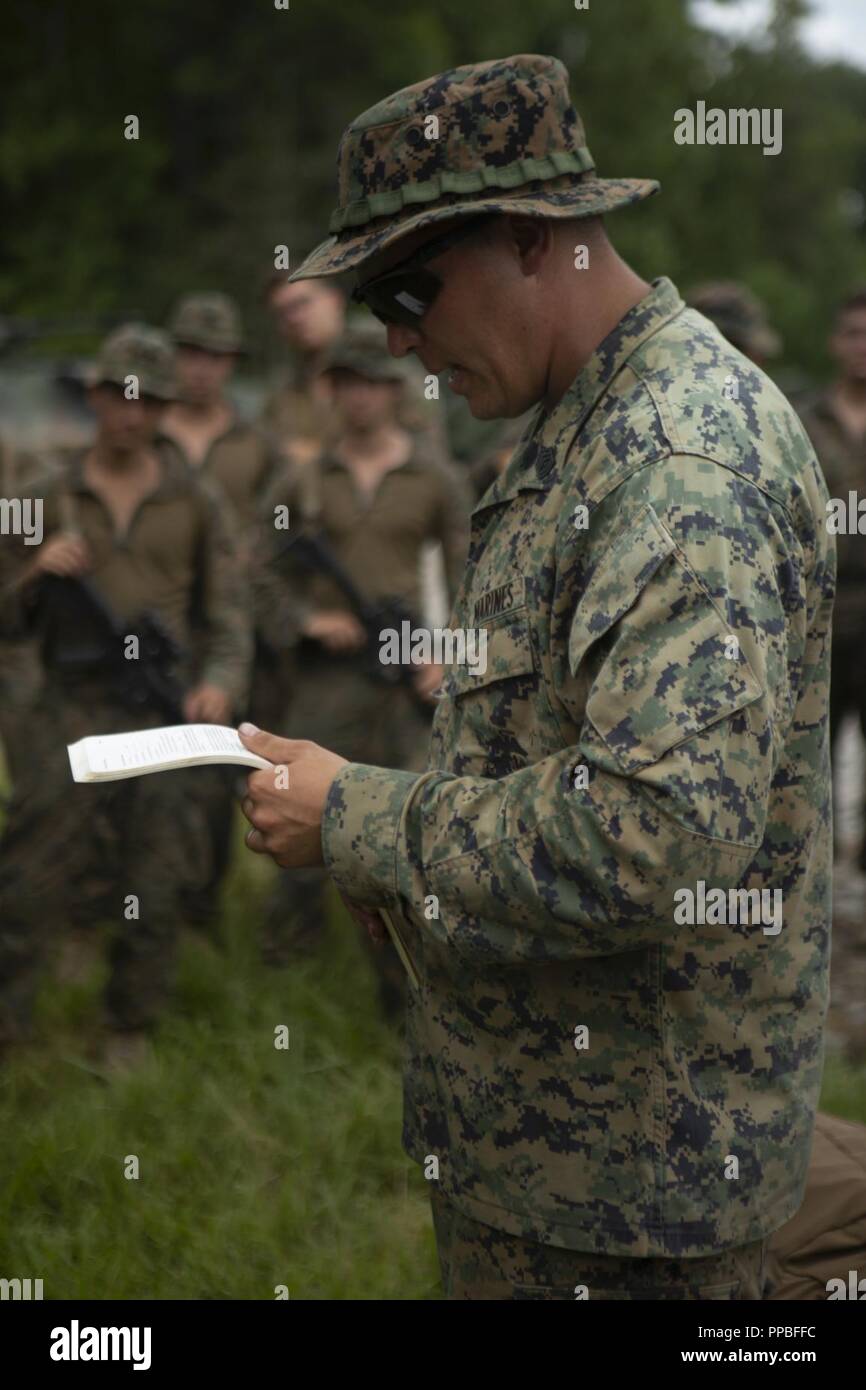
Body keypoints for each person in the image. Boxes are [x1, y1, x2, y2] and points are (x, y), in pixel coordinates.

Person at [238, 54, 833, 1298]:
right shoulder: (575, 427)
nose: (396, 341)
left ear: (525, 235)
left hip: (631, 1200)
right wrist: (415, 868)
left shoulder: (676, 460)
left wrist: (362, 818)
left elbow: (653, 833)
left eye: (406, 290)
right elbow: (553, 751)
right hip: (559, 1156)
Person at [0, 324, 252, 1068]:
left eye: (149, 401)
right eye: (118, 397)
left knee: (157, 866)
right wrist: (35, 572)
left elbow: (228, 613)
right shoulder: (41, 495)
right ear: (96, 398)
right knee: (31, 861)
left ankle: (129, 1024)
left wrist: (219, 684)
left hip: (158, 707)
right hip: (67, 703)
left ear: (166, 407)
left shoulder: (197, 500)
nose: (132, 415)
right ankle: (10, 1017)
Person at [253, 325, 470, 1017]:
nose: (360, 397)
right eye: (346, 383)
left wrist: (450, 654)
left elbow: (476, 577)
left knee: (406, 830)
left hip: (408, 674)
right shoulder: (305, 480)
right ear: (332, 390)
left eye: (373, 382)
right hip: (331, 677)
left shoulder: (435, 475)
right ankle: (283, 979)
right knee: (294, 808)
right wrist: (304, 622)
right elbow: (256, 570)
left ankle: (407, 996)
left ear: (393, 390)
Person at [162, 293, 286, 923]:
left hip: (232, 630)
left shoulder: (257, 446)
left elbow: (286, 526)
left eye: (215, 356)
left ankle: (200, 911)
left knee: (217, 773)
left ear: (232, 363)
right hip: (153, 624)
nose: (201, 369)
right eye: (190, 353)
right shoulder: (147, 432)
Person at [796, 289, 866, 870]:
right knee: (813, 751)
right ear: (834, 342)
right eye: (852, 333)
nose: (861, 347)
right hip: (822, 609)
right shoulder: (805, 421)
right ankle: (821, 875)